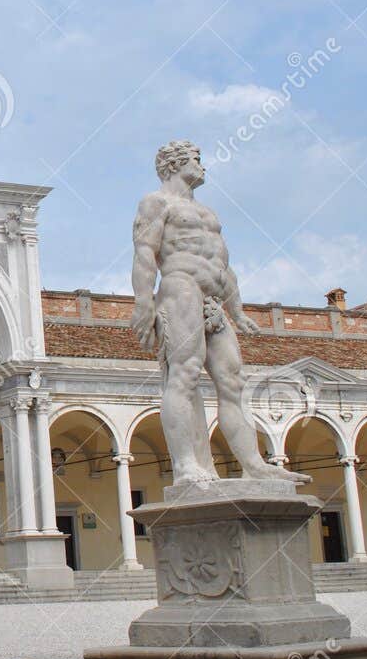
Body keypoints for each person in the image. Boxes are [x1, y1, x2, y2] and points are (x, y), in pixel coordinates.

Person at [130, 140, 308, 487]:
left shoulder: (208, 213)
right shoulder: (156, 202)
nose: (203, 166)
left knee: (234, 383)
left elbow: (223, 262)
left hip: (213, 298)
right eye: (197, 159)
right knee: (184, 375)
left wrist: (237, 310)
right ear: (174, 163)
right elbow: (144, 253)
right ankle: (185, 466)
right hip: (180, 288)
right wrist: (143, 302)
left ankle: (254, 464)